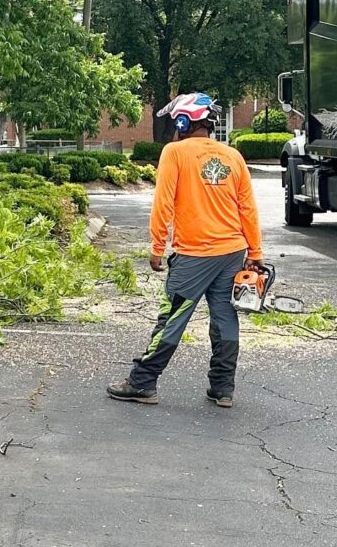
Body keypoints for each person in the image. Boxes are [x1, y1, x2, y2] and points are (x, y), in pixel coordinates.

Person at [107, 92, 264, 408]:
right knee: (225, 318)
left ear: (183, 121)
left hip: (194, 254)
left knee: (172, 319)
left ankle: (142, 383)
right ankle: (222, 389)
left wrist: (156, 246)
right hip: (232, 253)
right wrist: (255, 253)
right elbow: (247, 208)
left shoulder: (174, 152)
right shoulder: (233, 156)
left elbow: (163, 202)